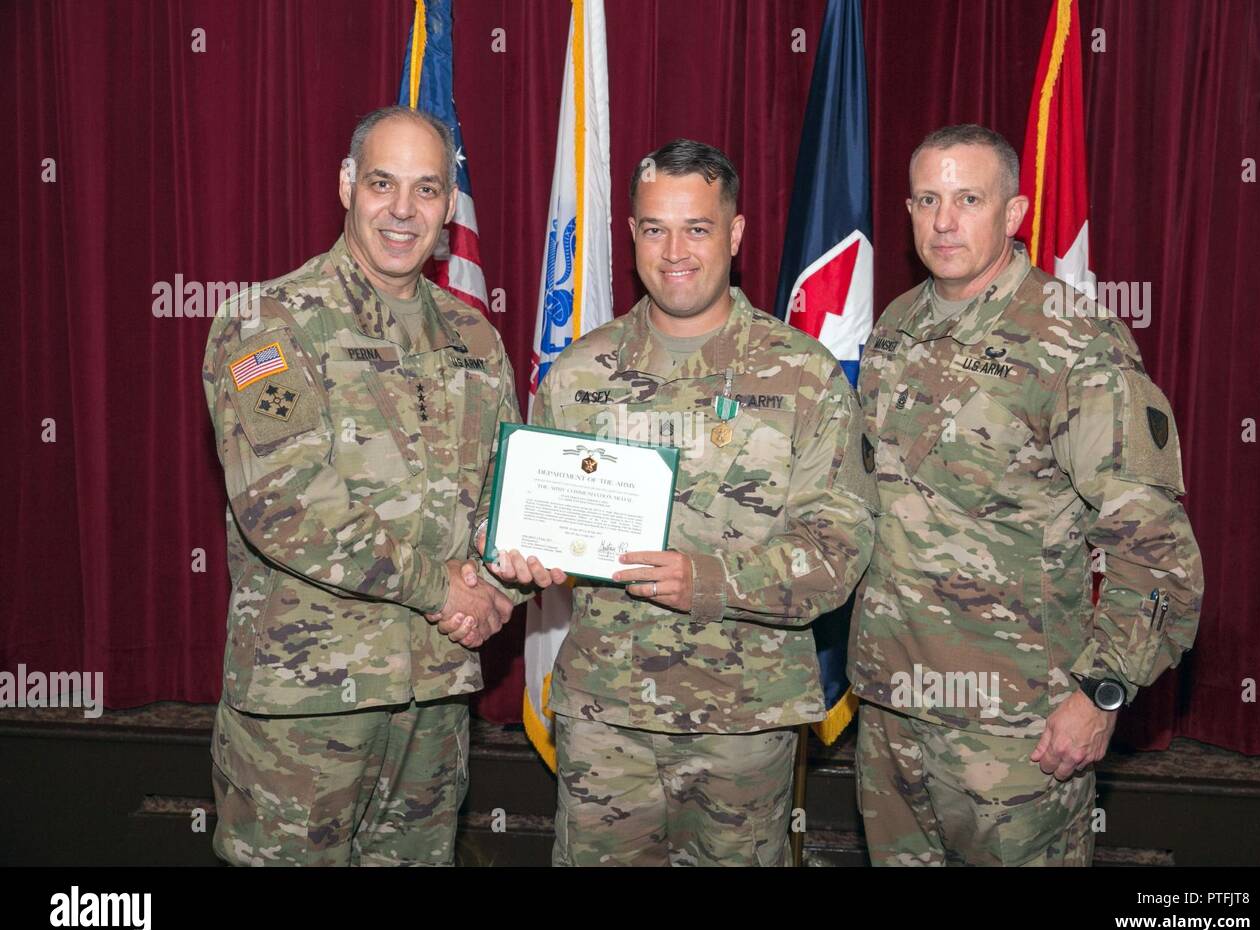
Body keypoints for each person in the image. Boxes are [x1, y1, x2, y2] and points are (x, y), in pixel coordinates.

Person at [201, 105, 560, 866]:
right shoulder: (269, 324)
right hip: (309, 709)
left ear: (448, 204)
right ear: (345, 186)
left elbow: (509, 497)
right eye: (382, 183)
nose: (403, 210)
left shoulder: (474, 338)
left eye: (426, 190)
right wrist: (443, 589)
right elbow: (288, 507)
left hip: (433, 702)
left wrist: (506, 588)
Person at [850, 124, 1204, 866]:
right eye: (927, 199)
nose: (944, 221)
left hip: (1014, 731)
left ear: (1014, 213)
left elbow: (1158, 554)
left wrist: (1099, 696)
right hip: (892, 710)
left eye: (968, 199)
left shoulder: (1077, 346)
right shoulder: (895, 327)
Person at [526, 138, 878, 866]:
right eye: (655, 228)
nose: (675, 250)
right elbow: (542, 519)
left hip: (742, 727)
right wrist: (525, 558)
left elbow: (839, 552)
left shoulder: (802, 375)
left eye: (697, 227)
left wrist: (709, 581)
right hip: (604, 719)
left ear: (736, 234)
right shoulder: (578, 372)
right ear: (631, 235)